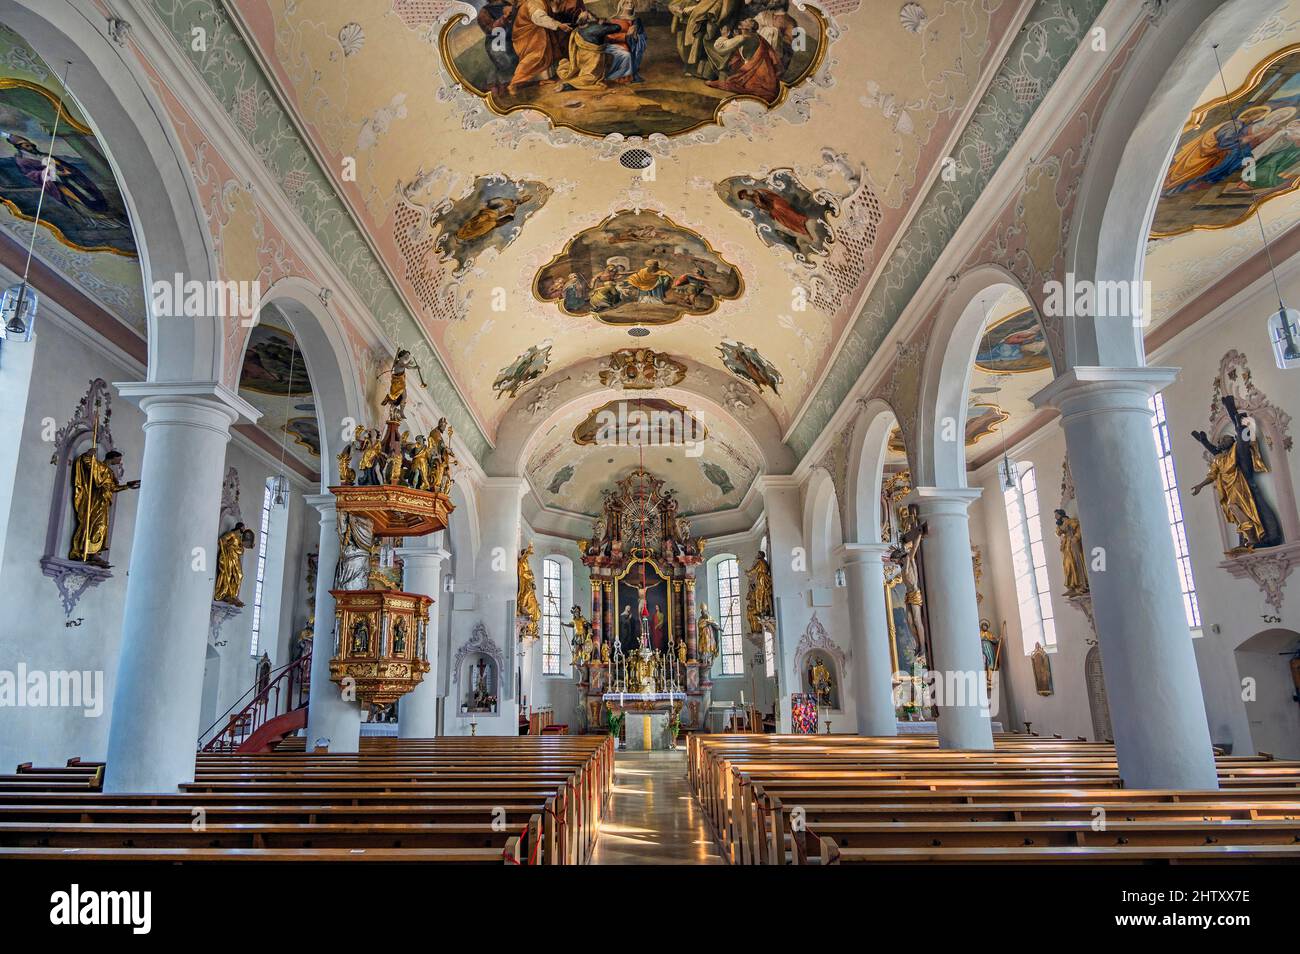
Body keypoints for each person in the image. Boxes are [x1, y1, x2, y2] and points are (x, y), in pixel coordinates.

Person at [68, 448, 139, 565]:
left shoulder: (110, 473)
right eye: (119, 459)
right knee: (93, 524)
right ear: (112, 458)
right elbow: (86, 462)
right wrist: (88, 454)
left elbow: (113, 488)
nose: (120, 462)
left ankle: (94, 552)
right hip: (95, 501)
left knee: (102, 527)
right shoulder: (99, 466)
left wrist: (127, 486)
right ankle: (84, 551)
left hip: (104, 503)